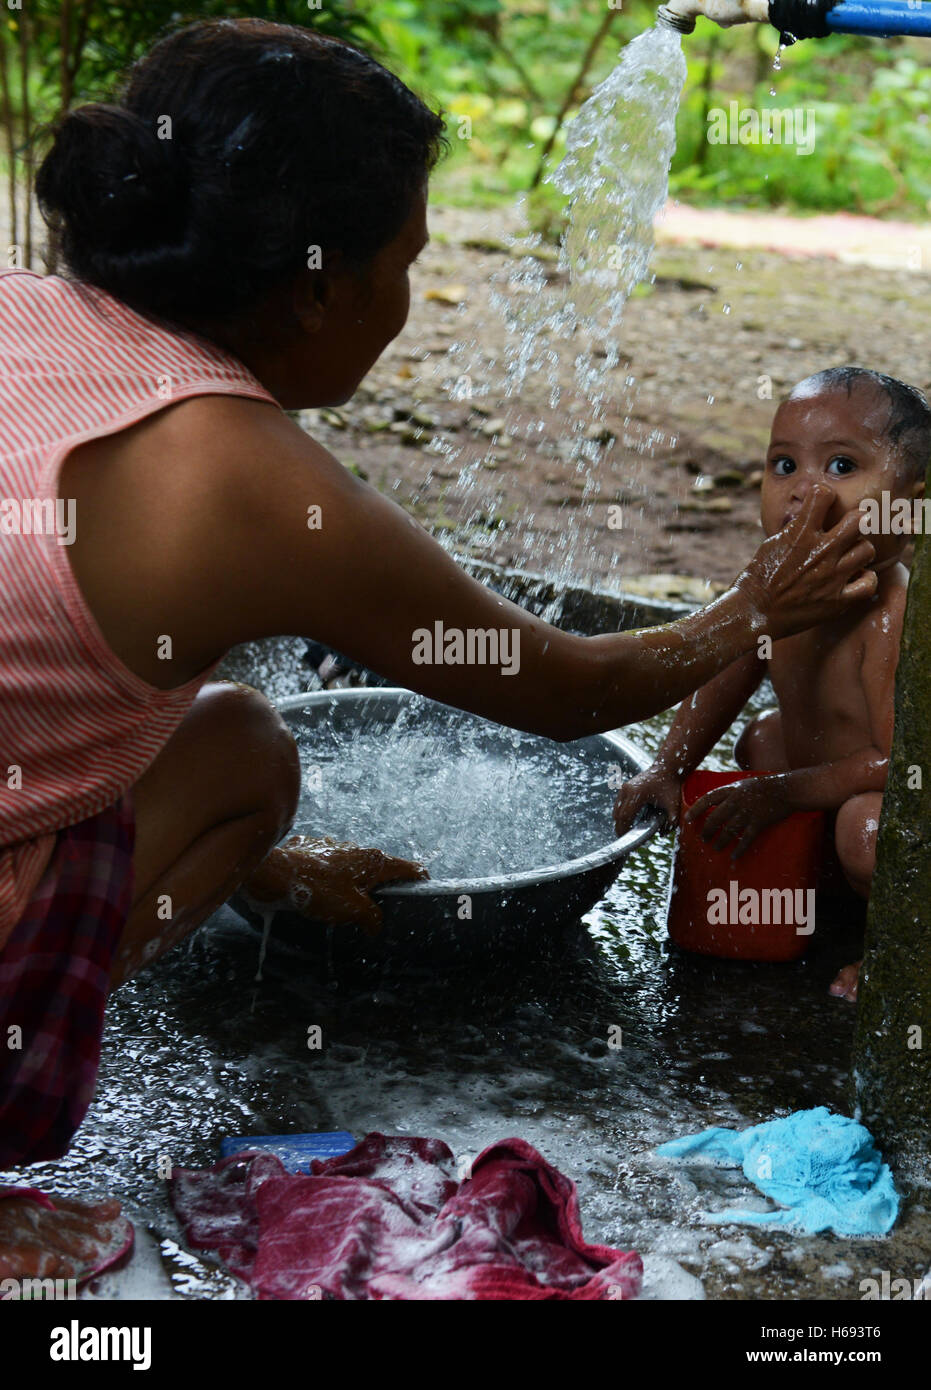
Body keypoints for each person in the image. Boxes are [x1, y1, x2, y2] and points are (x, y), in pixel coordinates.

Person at [0, 19, 876, 1277]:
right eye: (403, 261)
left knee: (247, 753)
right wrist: (758, 606)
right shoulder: (226, 467)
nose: (408, 301)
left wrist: (263, 867)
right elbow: (567, 688)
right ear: (315, 284)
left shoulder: (34, 311)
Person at [614, 368, 929, 1002]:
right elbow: (726, 673)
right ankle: (827, 885)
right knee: (760, 742)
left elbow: (902, 765)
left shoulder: (890, 613)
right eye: (784, 466)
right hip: (823, 778)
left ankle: (904, 953)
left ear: (912, 509)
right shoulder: (774, 588)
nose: (803, 491)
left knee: (867, 833)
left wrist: (781, 795)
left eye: (842, 466)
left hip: (887, 790)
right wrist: (668, 767)